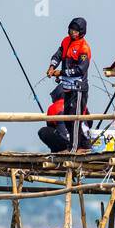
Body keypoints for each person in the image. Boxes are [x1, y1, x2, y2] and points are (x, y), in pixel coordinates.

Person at [46, 17, 91, 149]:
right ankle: (75, 146)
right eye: (71, 30)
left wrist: (61, 73)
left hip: (78, 90)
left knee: (75, 120)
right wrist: (52, 67)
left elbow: (80, 69)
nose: (73, 33)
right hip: (66, 89)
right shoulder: (66, 41)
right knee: (67, 121)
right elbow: (58, 55)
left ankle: (75, 148)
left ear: (81, 32)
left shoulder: (84, 48)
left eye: (76, 31)